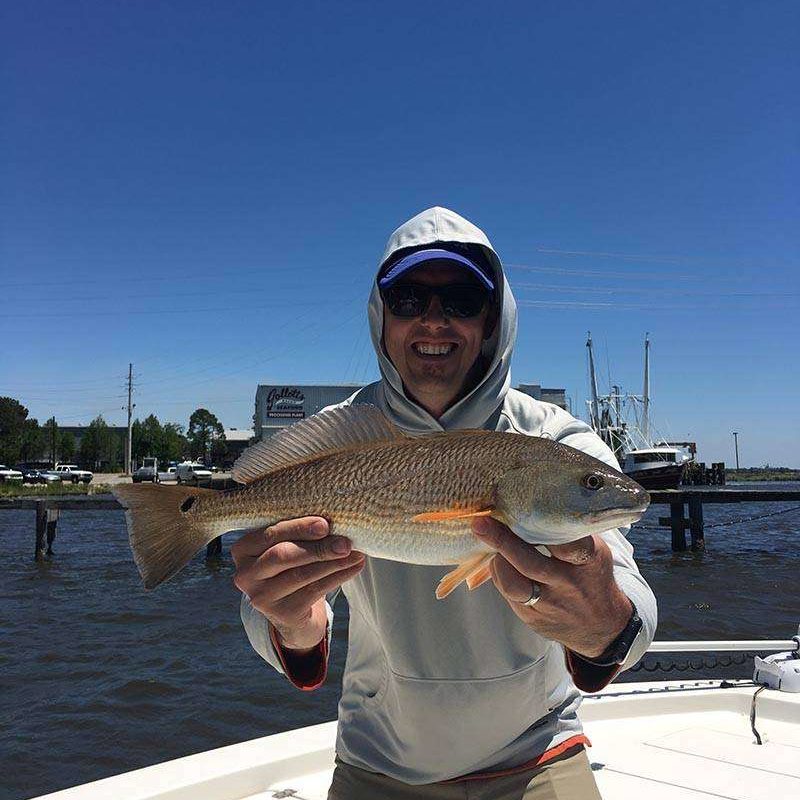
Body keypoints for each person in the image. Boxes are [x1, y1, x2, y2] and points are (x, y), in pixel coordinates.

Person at [232, 207, 657, 799]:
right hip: (377, 763)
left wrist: (604, 619)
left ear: (492, 321)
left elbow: (633, 601)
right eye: (407, 300)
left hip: (538, 753)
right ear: (382, 321)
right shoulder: (334, 439)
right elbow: (276, 621)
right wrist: (291, 620)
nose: (433, 322)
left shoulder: (558, 442)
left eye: (460, 300)